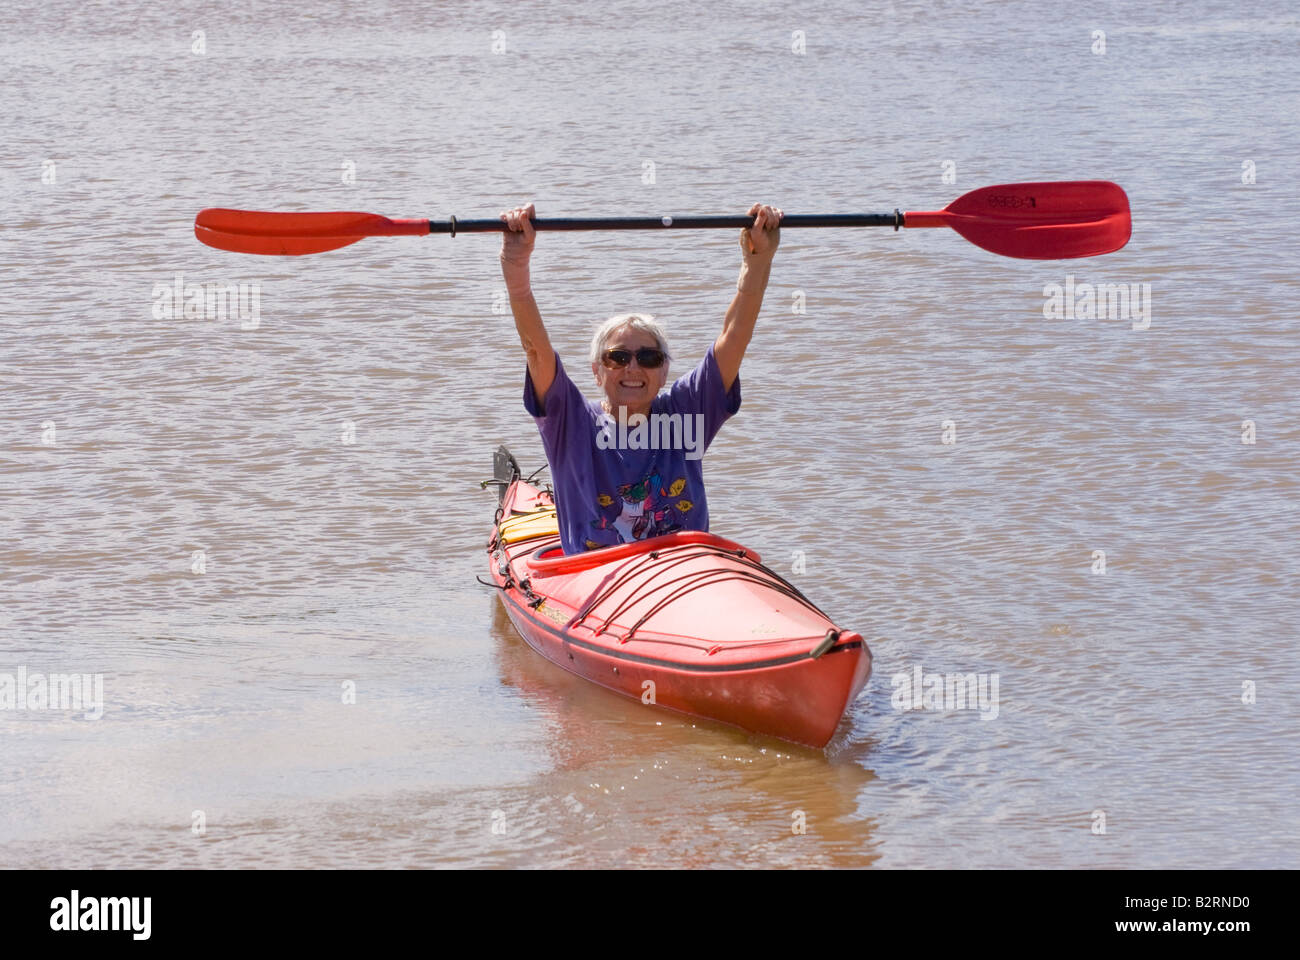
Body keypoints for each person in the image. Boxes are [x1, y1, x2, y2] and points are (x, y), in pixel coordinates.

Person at [500, 200, 783, 554]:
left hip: (683, 571)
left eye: (648, 358)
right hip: (596, 579)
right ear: (597, 371)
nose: (633, 369)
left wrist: (757, 262)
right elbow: (536, 349)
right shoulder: (570, 422)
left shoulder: (686, 412)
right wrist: (516, 268)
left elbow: (735, 336)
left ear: (664, 370)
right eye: (617, 357)